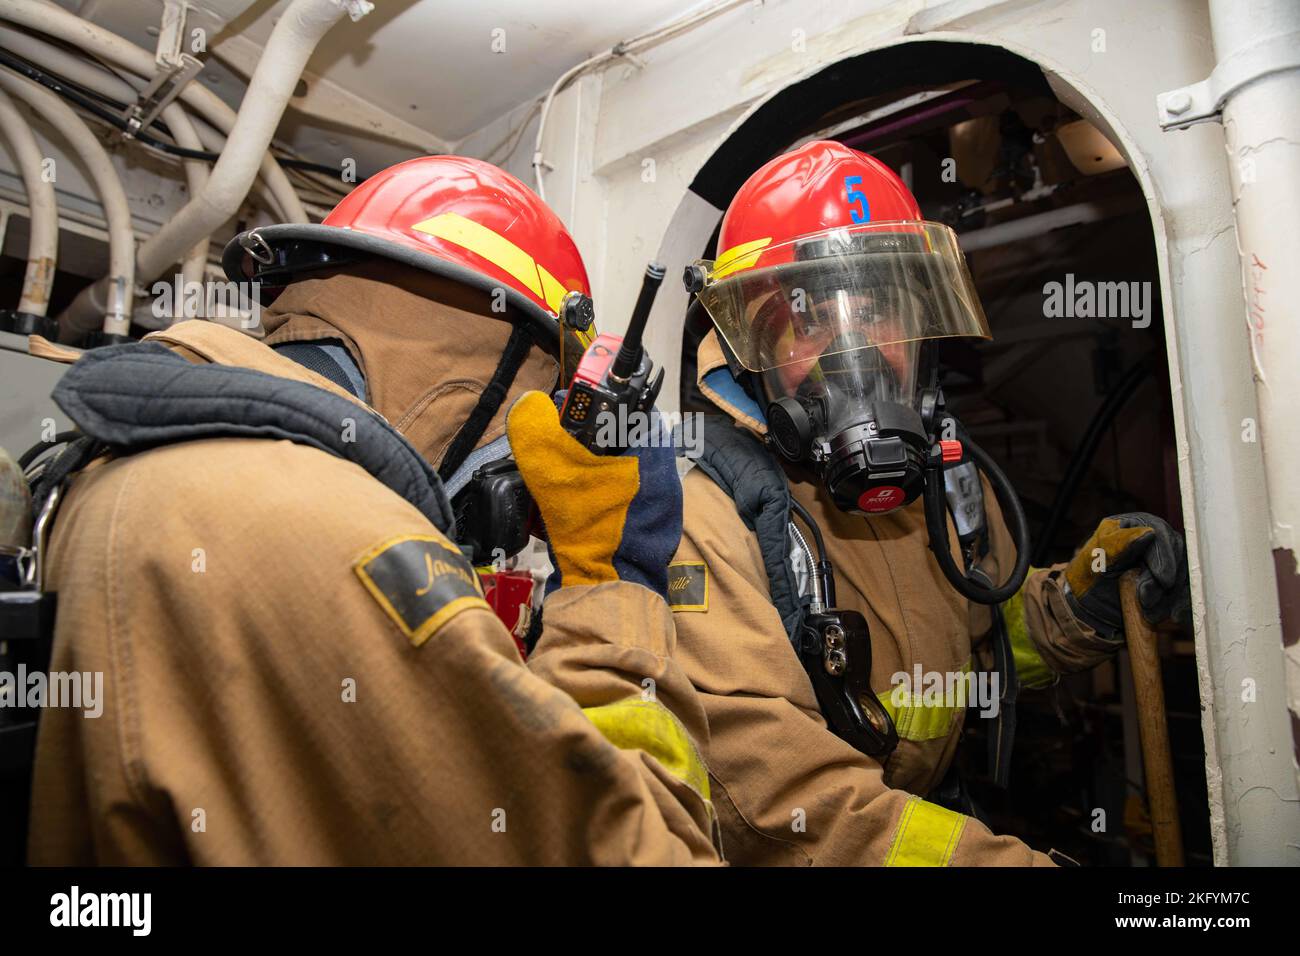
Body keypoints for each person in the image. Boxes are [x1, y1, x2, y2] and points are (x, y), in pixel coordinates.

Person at [25, 156, 720, 865]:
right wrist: (614, 585)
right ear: (491, 371)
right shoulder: (361, 551)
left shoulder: (122, 455)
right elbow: (643, 853)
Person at [670, 140, 1190, 865]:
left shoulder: (948, 486)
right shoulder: (709, 518)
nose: (856, 353)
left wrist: (1079, 606)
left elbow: (986, 630)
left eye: (878, 313)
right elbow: (780, 800)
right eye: (811, 321)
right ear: (753, 352)